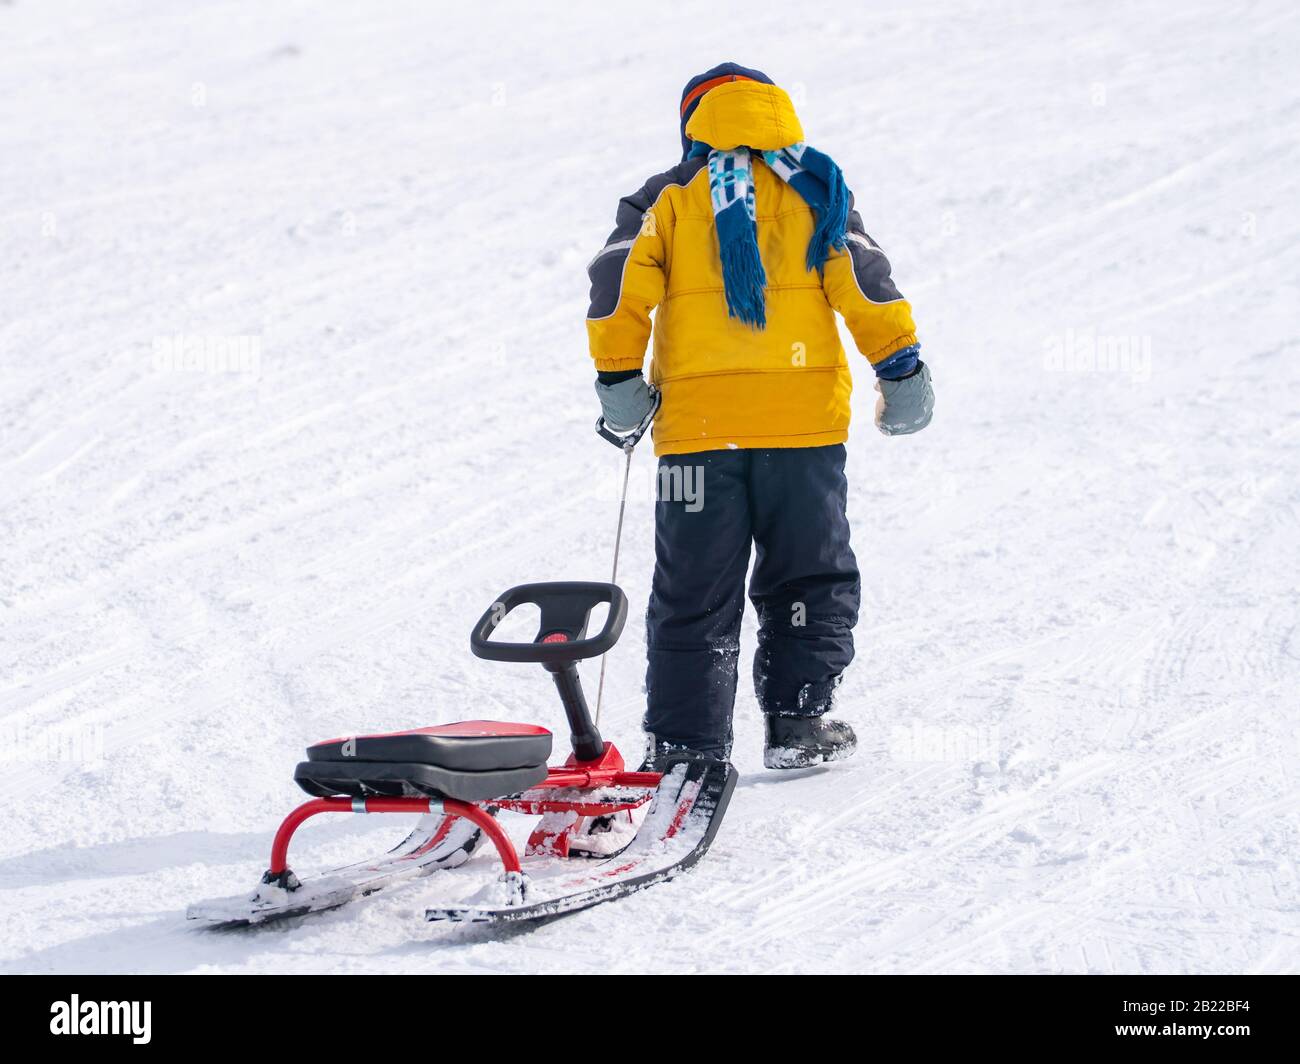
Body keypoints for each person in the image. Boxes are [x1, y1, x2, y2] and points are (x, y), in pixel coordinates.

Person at [586, 62, 933, 770]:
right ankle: (799, 726)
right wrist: (899, 367)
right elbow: (863, 280)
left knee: (693, 588)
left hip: (697, 437)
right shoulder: (818, 187)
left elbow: (617, 284)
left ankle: (686, 743)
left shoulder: (666, 196)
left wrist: (618, 378)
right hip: (802, 432)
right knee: (808, 575)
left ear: (693, 125)